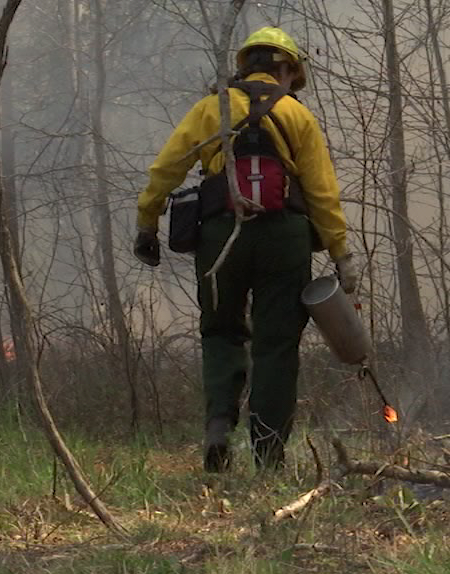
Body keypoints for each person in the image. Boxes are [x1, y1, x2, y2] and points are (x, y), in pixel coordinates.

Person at [135, 27, 358, 472]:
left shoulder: (209, 109)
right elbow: (322, 193)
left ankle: (219, 423)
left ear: (245, 65)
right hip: (285, 237)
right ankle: (268, 455)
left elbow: (166, 169)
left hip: (220, 235)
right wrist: (340, 254)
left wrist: (147, 222)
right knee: (276, 345)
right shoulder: (297, 116)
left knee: (221, 332)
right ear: (286, 69)